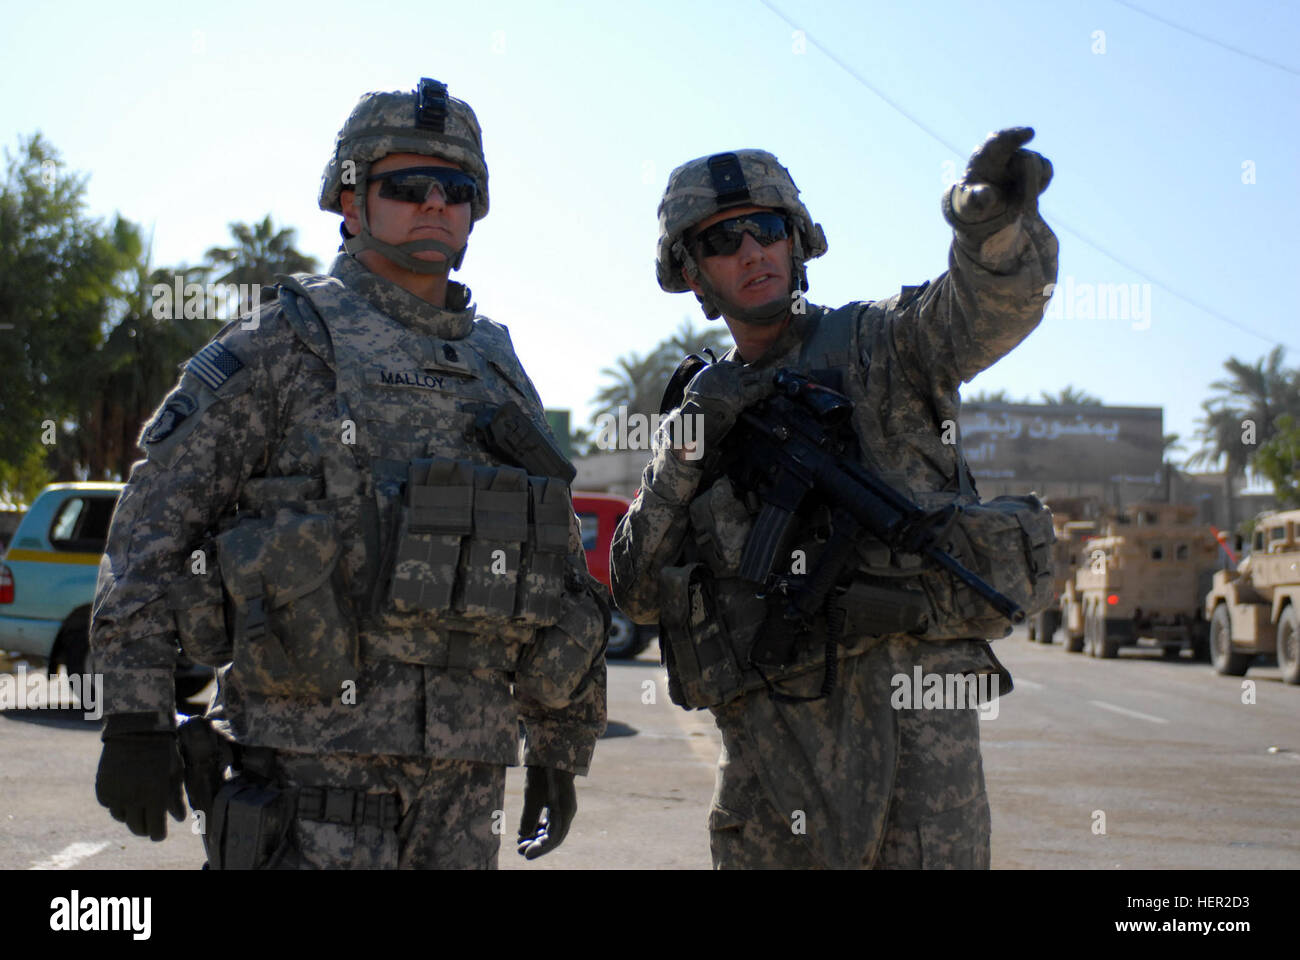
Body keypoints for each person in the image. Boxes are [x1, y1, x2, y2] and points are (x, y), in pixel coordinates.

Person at [91, 78, 608, 869]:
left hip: (464, 803)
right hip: (306, 797)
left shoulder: (497, 365)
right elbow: (151, 527)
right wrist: (134, 716)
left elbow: (555, 568)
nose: (434, 203)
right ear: (350, 200)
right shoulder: (280, 345)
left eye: (457, 188)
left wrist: (560, 742)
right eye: (405, 185)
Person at [611, 129, 1059, 869]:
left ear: (798, 242)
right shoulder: (697, 413)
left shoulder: (883, 345)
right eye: (724, 239)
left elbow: (987, 309)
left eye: (768, 230)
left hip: (921, 749)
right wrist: (689, 446)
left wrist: (991, 228)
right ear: (693, 274)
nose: (752, 251)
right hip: (776, 761)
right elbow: (636, 589)